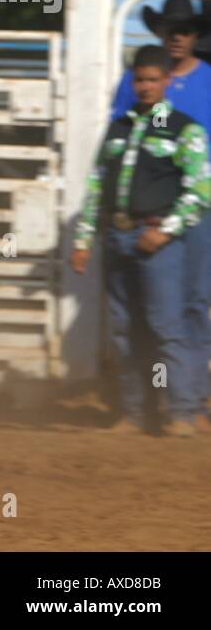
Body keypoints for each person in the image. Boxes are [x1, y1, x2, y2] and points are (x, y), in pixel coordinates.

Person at [72, 45, 211, 437]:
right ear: (132, 83)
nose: (146, 86)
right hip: (119, 234)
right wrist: (84, 239)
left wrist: (165, 229)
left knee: (166, 325)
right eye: (140, 80)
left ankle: (181, 410)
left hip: (157, 238)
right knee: (126, 326)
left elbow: (201, 190)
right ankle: (137, 410)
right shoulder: (119, 127)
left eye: (153, 79)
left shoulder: (185, 129)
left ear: (167, 81)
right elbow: (97, 185)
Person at [108, 0, 211, 430]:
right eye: (170, 29)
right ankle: (161, 401)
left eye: (184, 29)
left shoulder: (208, 80)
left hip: (198, 204)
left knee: (191, 302)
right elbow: (119, 138)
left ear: (194, 35)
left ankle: (193, 399)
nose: (177, 36)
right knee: (151, 309)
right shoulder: (134, 85)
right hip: (150, 209)